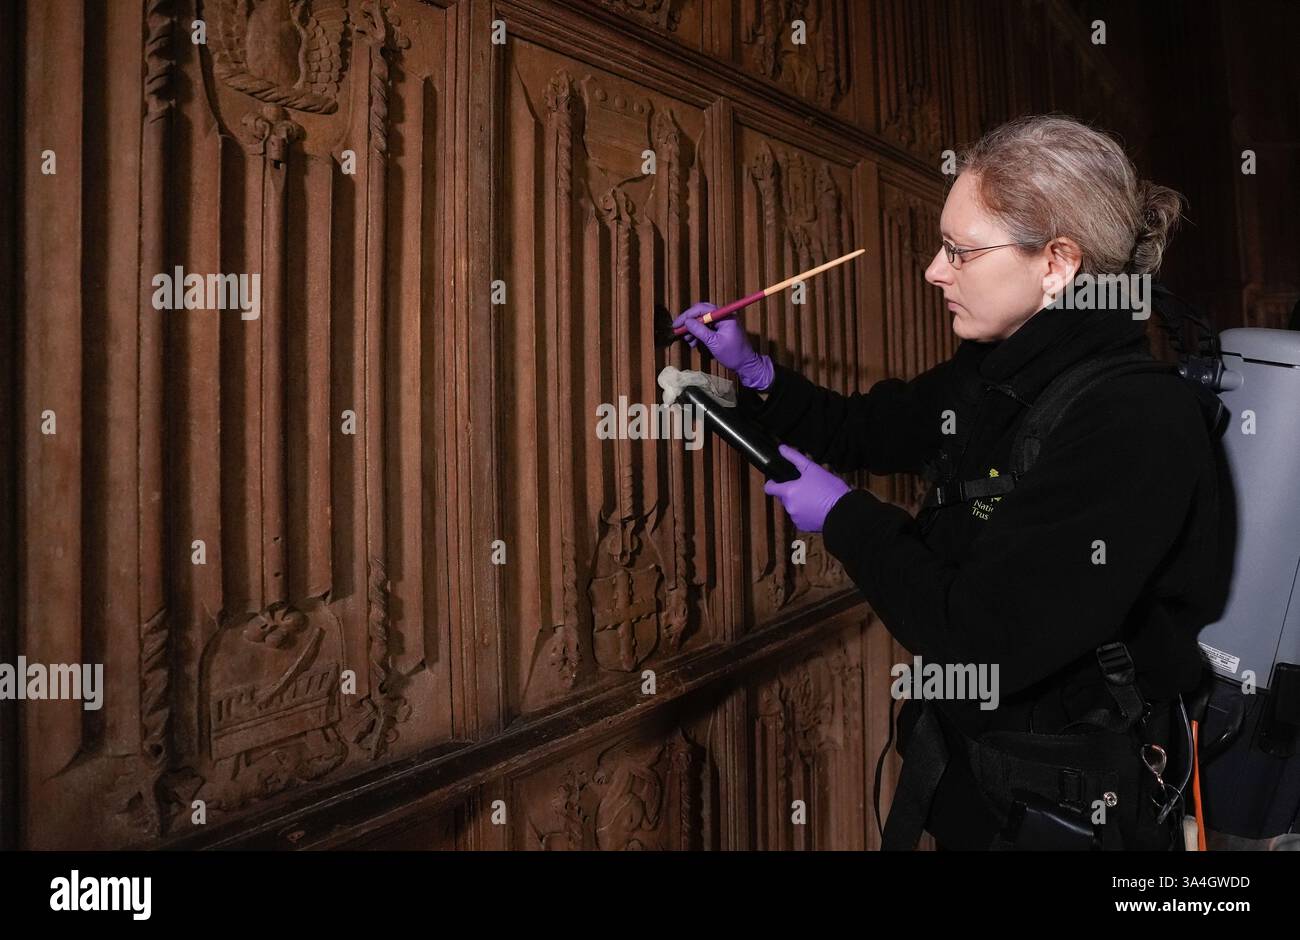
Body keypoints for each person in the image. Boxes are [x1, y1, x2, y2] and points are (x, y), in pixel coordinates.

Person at [672, 114, 1222, 850]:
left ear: (1057, 263)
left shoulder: (1136, 420)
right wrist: (756, 372)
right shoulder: (1000, 364)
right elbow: (870, 428)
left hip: (1065, 798)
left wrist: (844, 517)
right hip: (975, 776)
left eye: (960, 251)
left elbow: (982, 637)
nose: (935, 270)